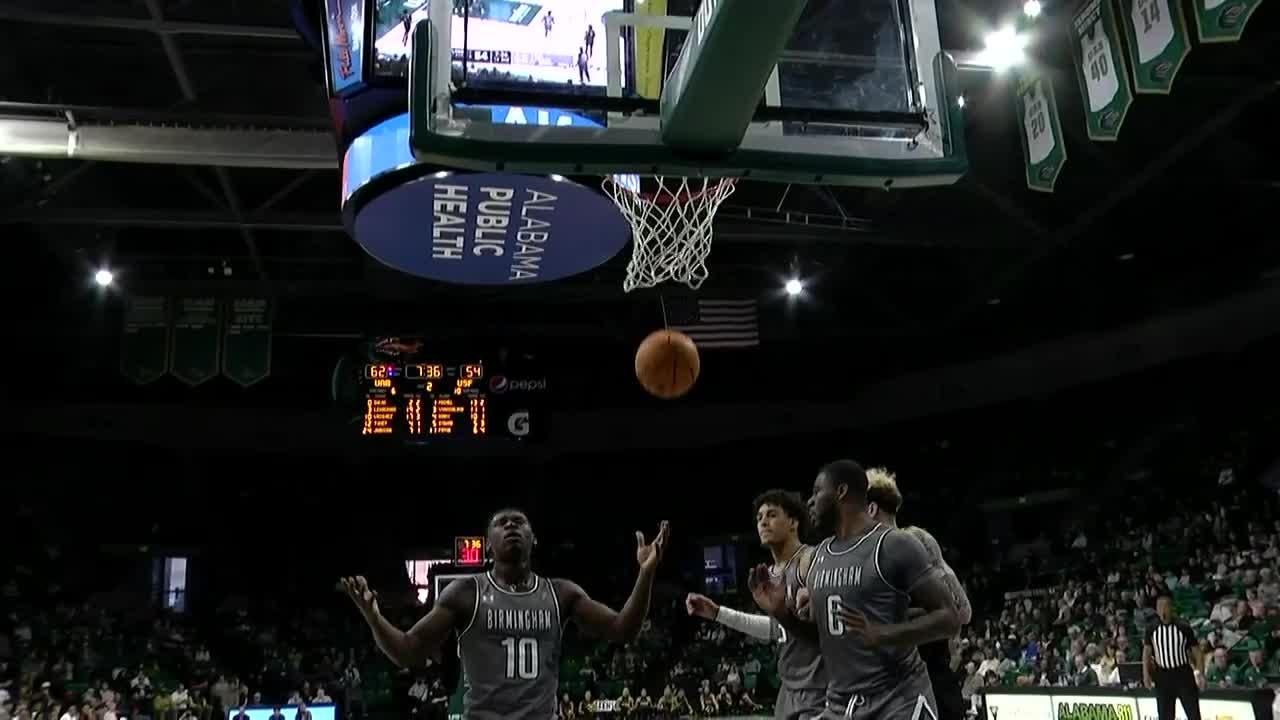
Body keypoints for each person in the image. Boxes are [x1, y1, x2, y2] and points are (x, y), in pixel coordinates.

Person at [342, 509, 669, 720]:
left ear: (533, 539)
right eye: (502, 523)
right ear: (487, 546)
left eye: (519, 521)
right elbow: (407, 651)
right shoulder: (465, 593)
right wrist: (374, 618)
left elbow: (623, 630)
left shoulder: (562, 592)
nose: (511, 525)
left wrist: (646, 574)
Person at [752, 459, 960, 720]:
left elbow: (950, 618)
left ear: (840, 491)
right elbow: (823, 639)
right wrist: (782, 613)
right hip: (843, 704)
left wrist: (884, 633)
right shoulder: (820, 557)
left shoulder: (893, 544)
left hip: (897, 700)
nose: (810, 502)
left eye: (817, 492)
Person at [686, 490, 826, 719]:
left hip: (819, 688)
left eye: (771, 514)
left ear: (793, 521)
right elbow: (774, 630)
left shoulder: (810, 560)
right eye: (759, 517)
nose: (763, 521)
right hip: (789, 688)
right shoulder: (768, 575)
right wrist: (717, 613)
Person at [865, 469, 971, 720]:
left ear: (870, 509)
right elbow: (963, 612)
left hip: (924, 681)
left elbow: (962, 613)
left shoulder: (914, 542)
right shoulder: (864, 556)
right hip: (896, 687)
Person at [1144, 592, 1203, 720]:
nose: (1162, 610)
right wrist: (1146, 674)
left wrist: (1199, 673)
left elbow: (1197, 652)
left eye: (1165, 606)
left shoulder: (1183, 627)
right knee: (1165, 715)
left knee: (1193, 713)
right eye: (1159, 607)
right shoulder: (1151, 628)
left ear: (1171, 608)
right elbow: (1147, 652)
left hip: (1183, 674)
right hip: (1163, 675)